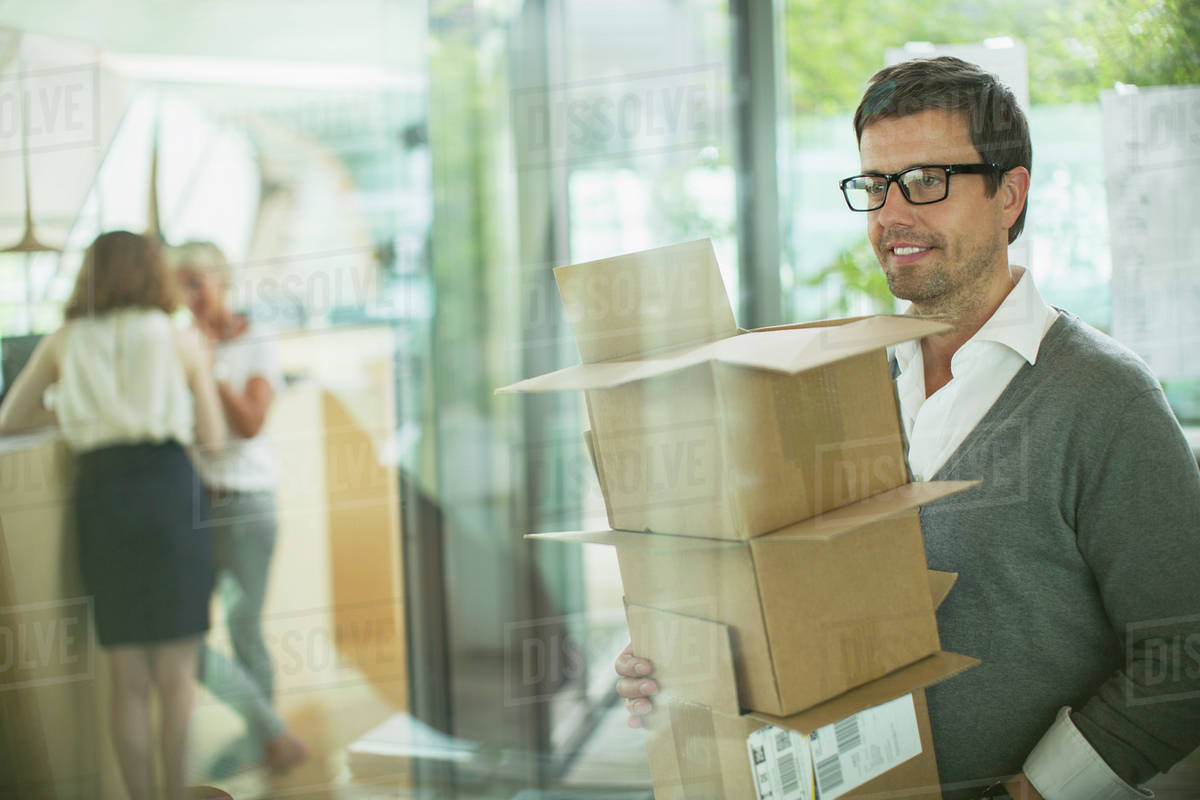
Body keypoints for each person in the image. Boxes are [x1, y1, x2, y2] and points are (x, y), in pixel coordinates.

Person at [616, 57, 1200, 800]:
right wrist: (684, 660)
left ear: (1008, 194)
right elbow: (795, 609)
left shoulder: (1104, 399)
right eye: (874, 185)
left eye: (926, 181)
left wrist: (1034, 792)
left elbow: (1184, 659)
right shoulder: (830, 385)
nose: (892, 215)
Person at [0, 231, 226, 800]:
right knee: (176, 679)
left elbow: (10, 419)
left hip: (104, 498)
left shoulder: (64, 342)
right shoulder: (178, 340)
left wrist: (78, 418)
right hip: (171, 498)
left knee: (126, 676)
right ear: (153, 273)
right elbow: (213, 436)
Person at [171, 241, 308, 775]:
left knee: (245, 628)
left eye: (197, 282)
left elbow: (251, 421)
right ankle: (273, 735)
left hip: (248, 508)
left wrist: (209, 370)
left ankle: (265, 745)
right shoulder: (179, 344)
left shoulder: (257, 341)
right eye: (179, 285)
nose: (189, 295)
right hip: (195, 511)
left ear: (222, 281)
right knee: (186, 638)